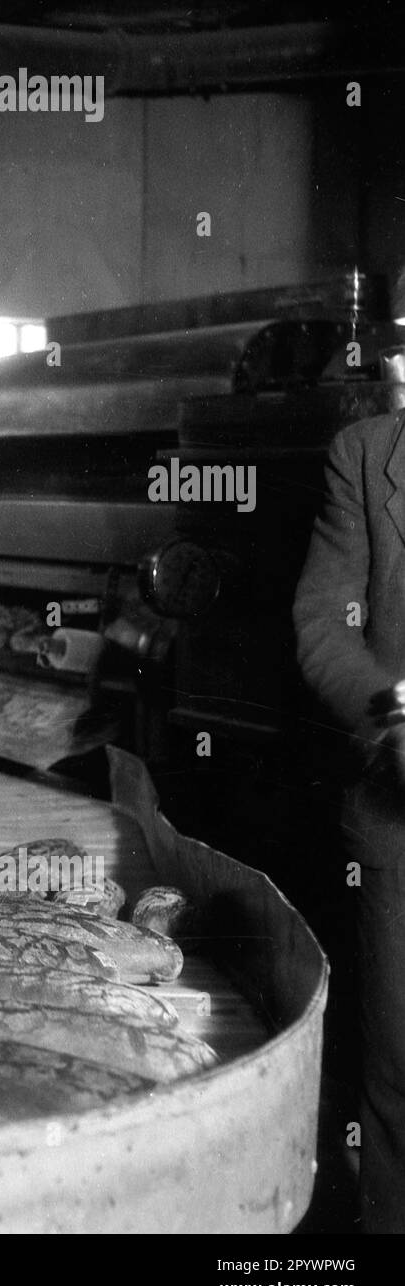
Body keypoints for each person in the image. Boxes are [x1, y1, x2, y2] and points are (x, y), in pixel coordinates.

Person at [293, 407, 405, 1233]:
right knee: (399, 1084)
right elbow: (326, 622)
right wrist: (391, 724)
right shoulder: (366, 456)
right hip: (399, 827)